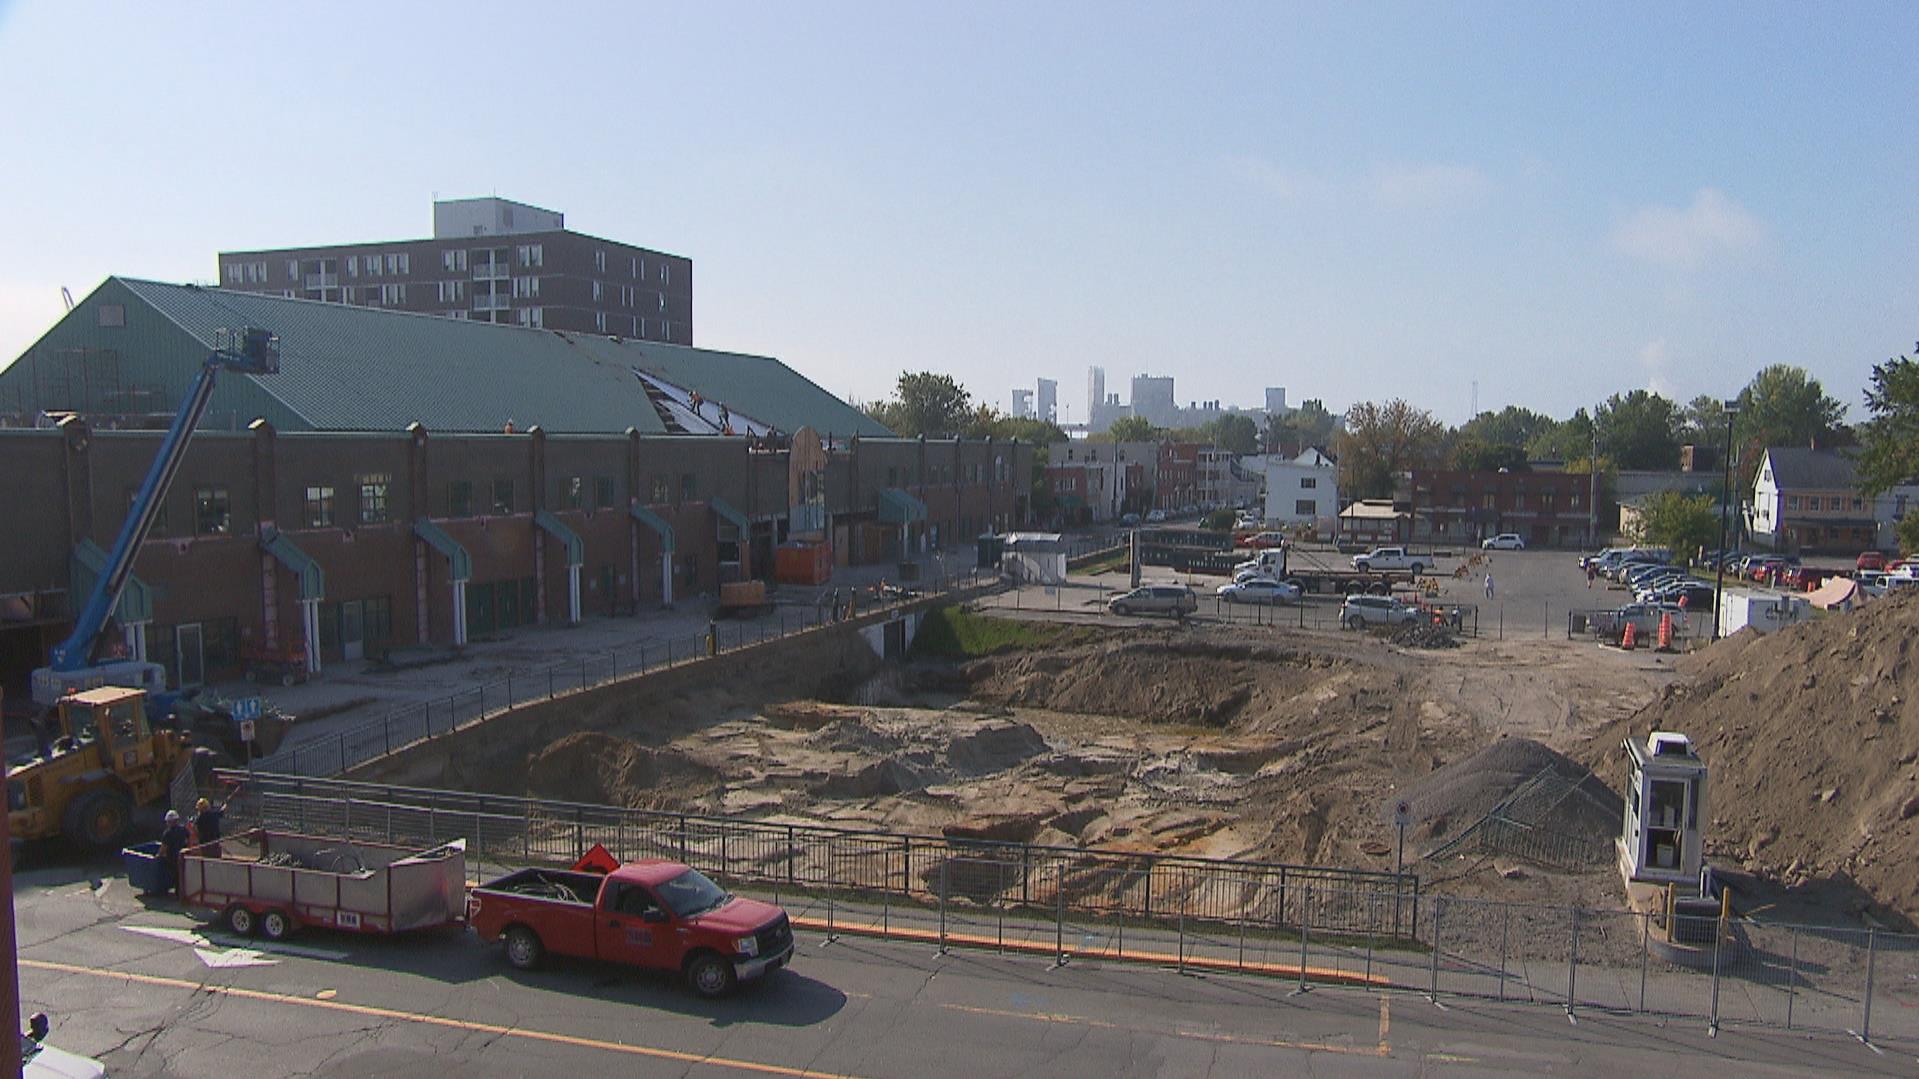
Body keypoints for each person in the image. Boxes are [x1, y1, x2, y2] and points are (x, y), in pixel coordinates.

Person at [159, 810, 191, 896]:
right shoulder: (183, 829)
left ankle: (178, 894)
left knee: (175, 875)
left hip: (172, 858)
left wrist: (158, 856)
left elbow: (163, 848)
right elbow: (189, 840)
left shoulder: (167, 833)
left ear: (169, 822)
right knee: (183, 875)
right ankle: (184, 892)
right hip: (184, 856)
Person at [193, 795, 230, 860]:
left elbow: (195, 828)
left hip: (205, 843)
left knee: (207, 860)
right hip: (215, 842)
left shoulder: (199, 818)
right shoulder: (214, 814)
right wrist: (226, 803)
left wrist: (198, 835)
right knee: (216, 859)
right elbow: (222, 811)